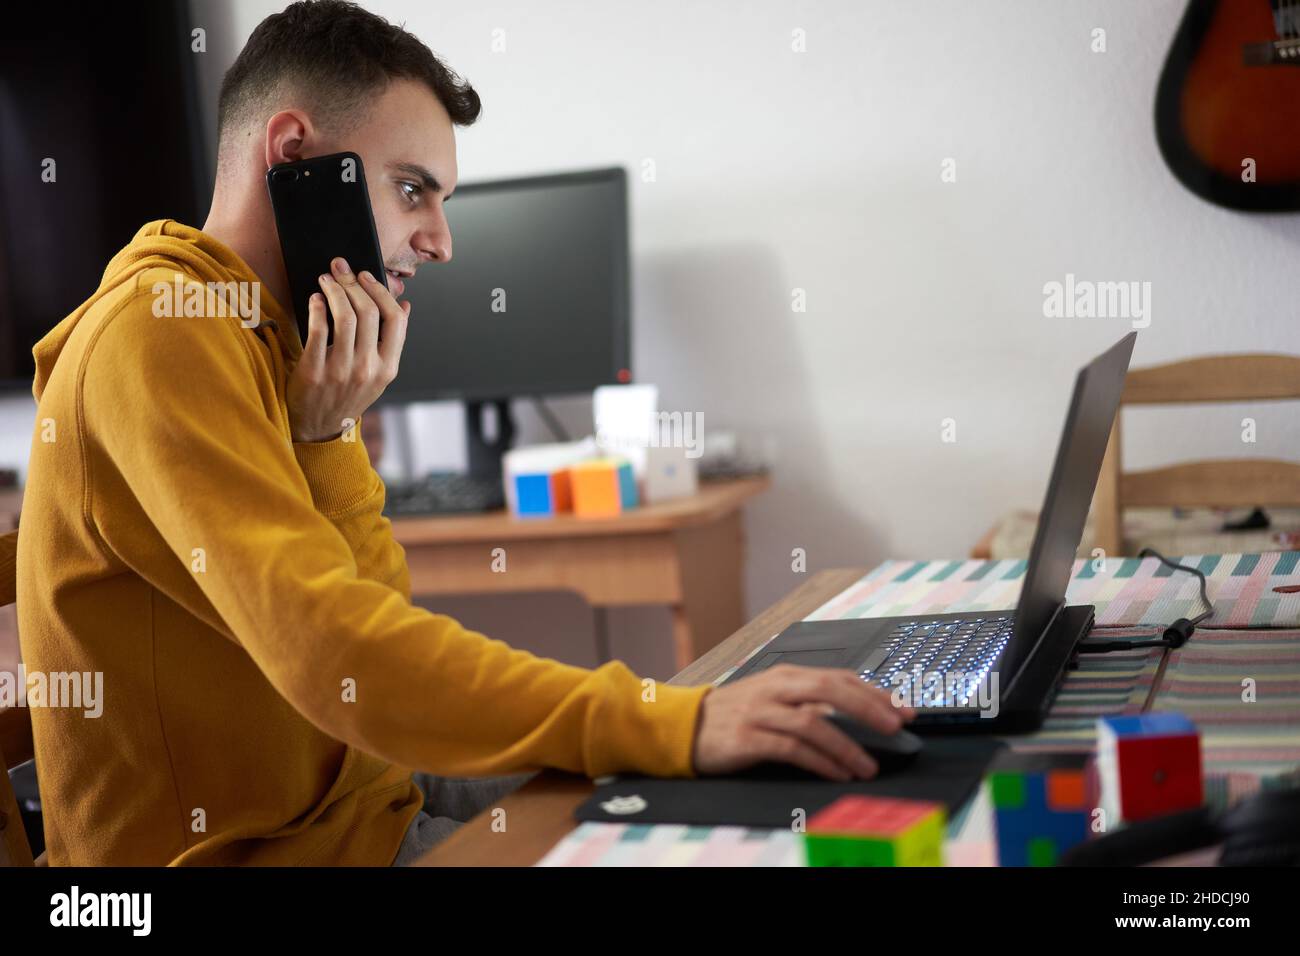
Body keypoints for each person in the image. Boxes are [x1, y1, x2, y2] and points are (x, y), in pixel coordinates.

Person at [16, 0, 911, 866]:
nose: (440, 241)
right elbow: (338, 652)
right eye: (413, 190)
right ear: (294, 155)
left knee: (743, 789)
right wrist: (669, 720)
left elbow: (367, 640)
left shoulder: (258, 340)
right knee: (703, 807)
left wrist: (327, 443)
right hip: (271, 852)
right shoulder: (160, 333)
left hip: (365, 804)